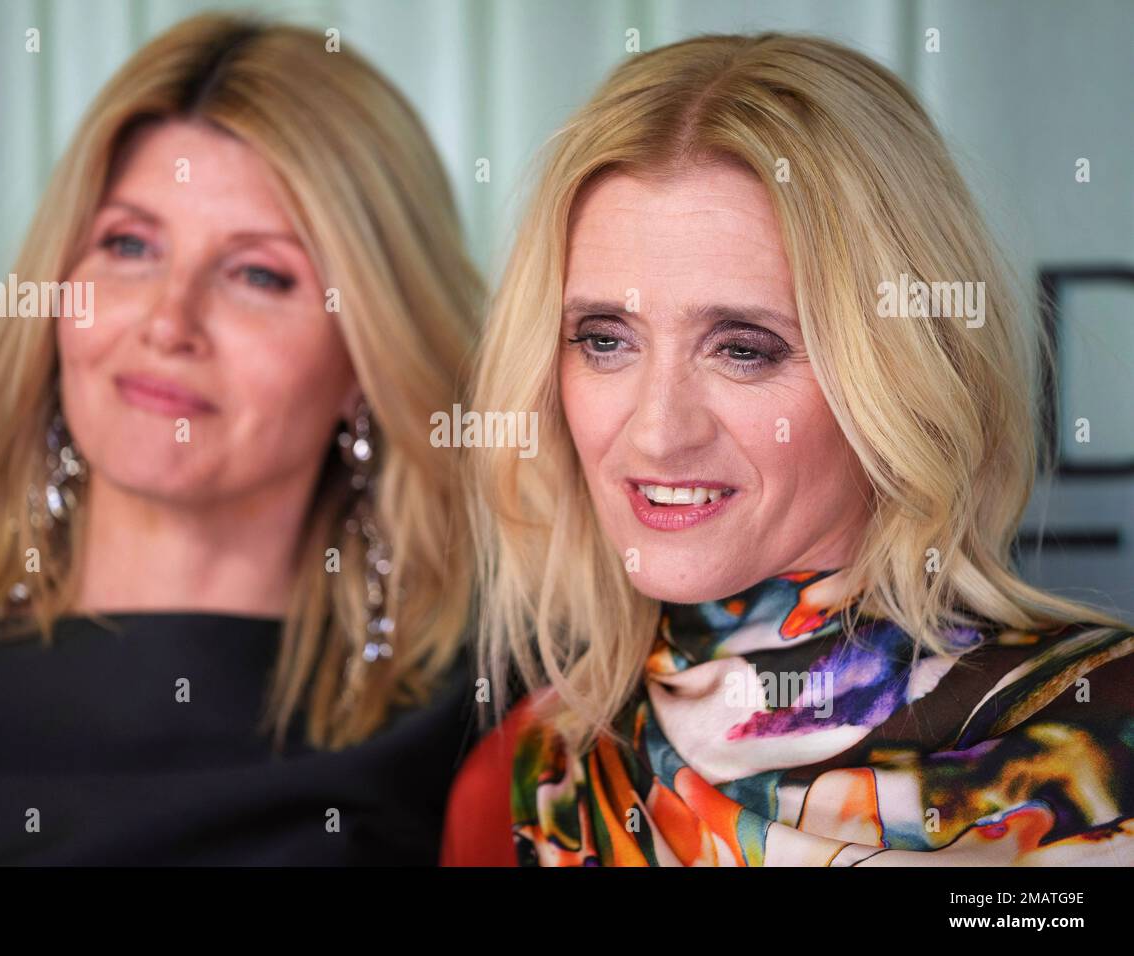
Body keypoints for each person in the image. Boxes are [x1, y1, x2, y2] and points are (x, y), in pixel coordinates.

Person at [441, 32, 1134, 866]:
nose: (657, 431)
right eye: (604, 339)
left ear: (901, 370)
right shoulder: (530, 779)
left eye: (743, 348)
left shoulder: (1108, 733)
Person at [0, 13, 481, 865]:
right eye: (130, 245)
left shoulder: (482, 734)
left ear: (369, 357)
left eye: (259, 273)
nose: (169, 322)